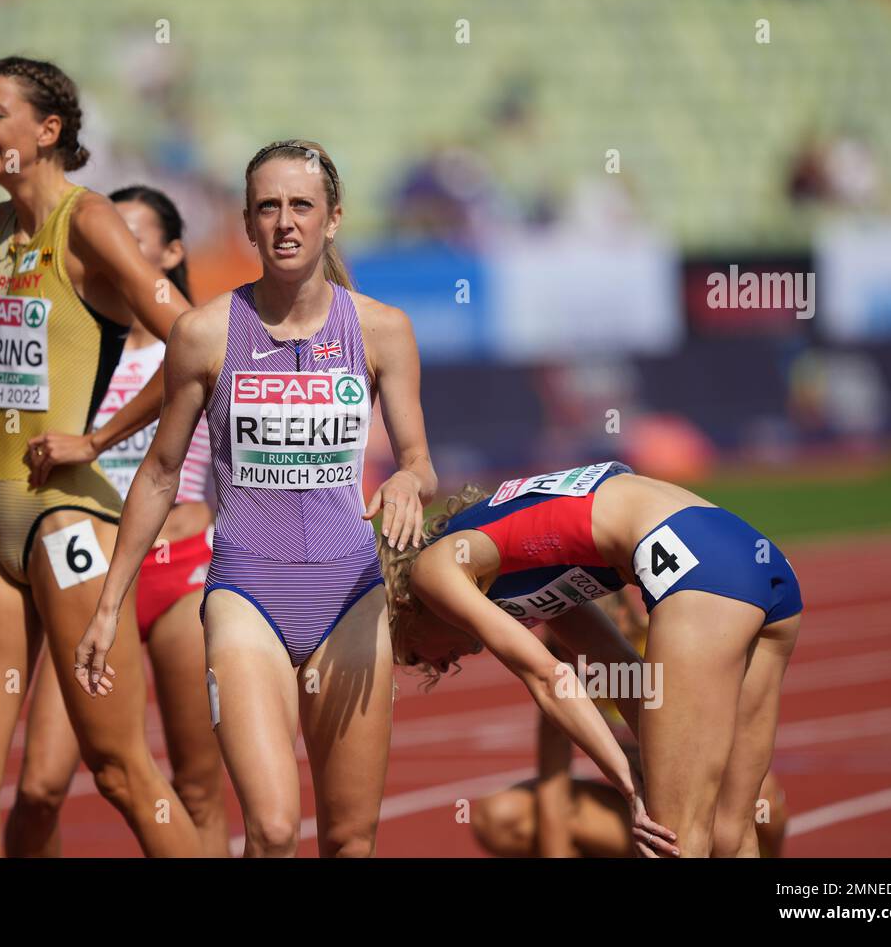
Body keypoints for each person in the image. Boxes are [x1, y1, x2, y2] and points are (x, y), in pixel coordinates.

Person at [76, 139, 436, 857]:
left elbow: (421, 464)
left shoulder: (383, 330)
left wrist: (403, 479)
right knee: (272, 829)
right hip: (246, 591)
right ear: (246, 223)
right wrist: (110, 604)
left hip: (351, 596)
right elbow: (159, 472)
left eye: (302, 205)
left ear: (334, 219)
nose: (285, 222)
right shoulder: (204, 334)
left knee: (350, 840)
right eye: (267, 207)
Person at [0, 56, 200, 857]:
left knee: (121, 772)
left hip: (67, 519)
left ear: (47, 131)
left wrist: (97, 439)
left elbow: (195, 340)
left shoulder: (87, 223)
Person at [384, 461, 802, 857]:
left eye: (414, 653)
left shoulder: (433, 570)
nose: (436, 666)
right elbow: (615, 667)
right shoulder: (523, 570)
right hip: (758, 561)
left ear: (403, 605)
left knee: (673, 841)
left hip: (692, 565)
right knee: (732, 835)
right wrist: (665, 760)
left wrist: (634, 788)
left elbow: (549, 678)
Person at [4, 185, 227, 857]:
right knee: (41, 785)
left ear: (171, 251)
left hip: (183, 572)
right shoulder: (70, 351)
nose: (112, 251)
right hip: (90, 574)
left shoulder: (193, 343)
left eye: (132, 239)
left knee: (195, 786)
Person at [471, 592, 790, 857]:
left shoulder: (671, 649)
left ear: (621, 620)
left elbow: (733, 758)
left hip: (709, 805)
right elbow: (553, 785)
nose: (569, 660)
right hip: (640, 810)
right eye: (558, 649)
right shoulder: (561, 679)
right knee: (500, 816)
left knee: (764, 800)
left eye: (575, 647)